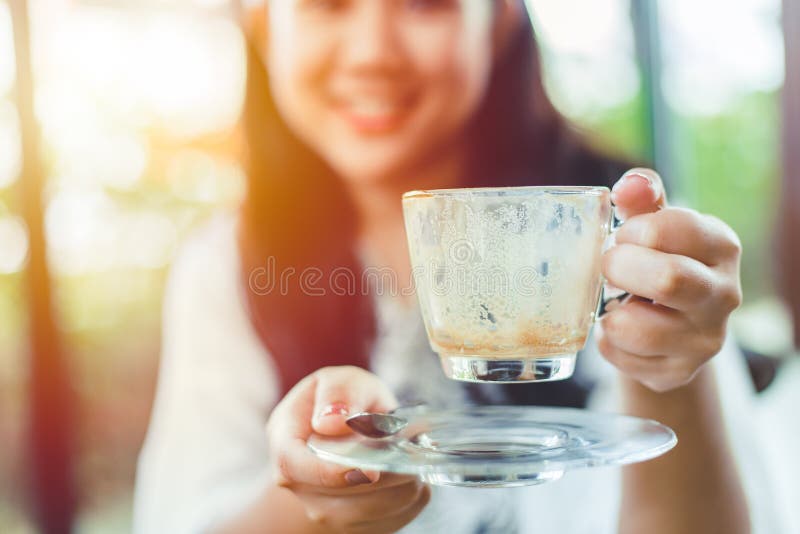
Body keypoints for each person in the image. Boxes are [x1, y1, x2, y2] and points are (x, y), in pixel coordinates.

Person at [133, 1, 777, 532]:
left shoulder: (633, 241)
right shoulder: (225, 267)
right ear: (263, 22)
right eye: (328, 3)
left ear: (499, 21)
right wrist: (319, 496)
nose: (372, 53)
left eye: (426, 3)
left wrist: (673, 374)